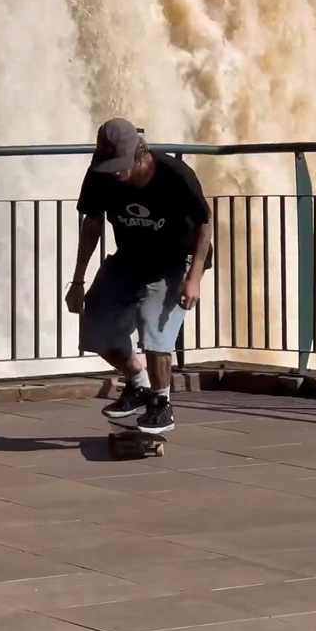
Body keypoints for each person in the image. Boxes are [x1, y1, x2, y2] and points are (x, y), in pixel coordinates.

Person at [65, 118, 212, 435]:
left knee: (153, 327)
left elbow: (204, 224)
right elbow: (92, 225)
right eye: (108, 165)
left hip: (174, 260)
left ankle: (161, 404)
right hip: (130, 258)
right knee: (97, 327)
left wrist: (195, 276)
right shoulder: (100, 174)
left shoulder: (174, 175)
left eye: (120, 165)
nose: (115, 172)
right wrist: (78, 281)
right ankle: (139, 383)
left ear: (140, 154)